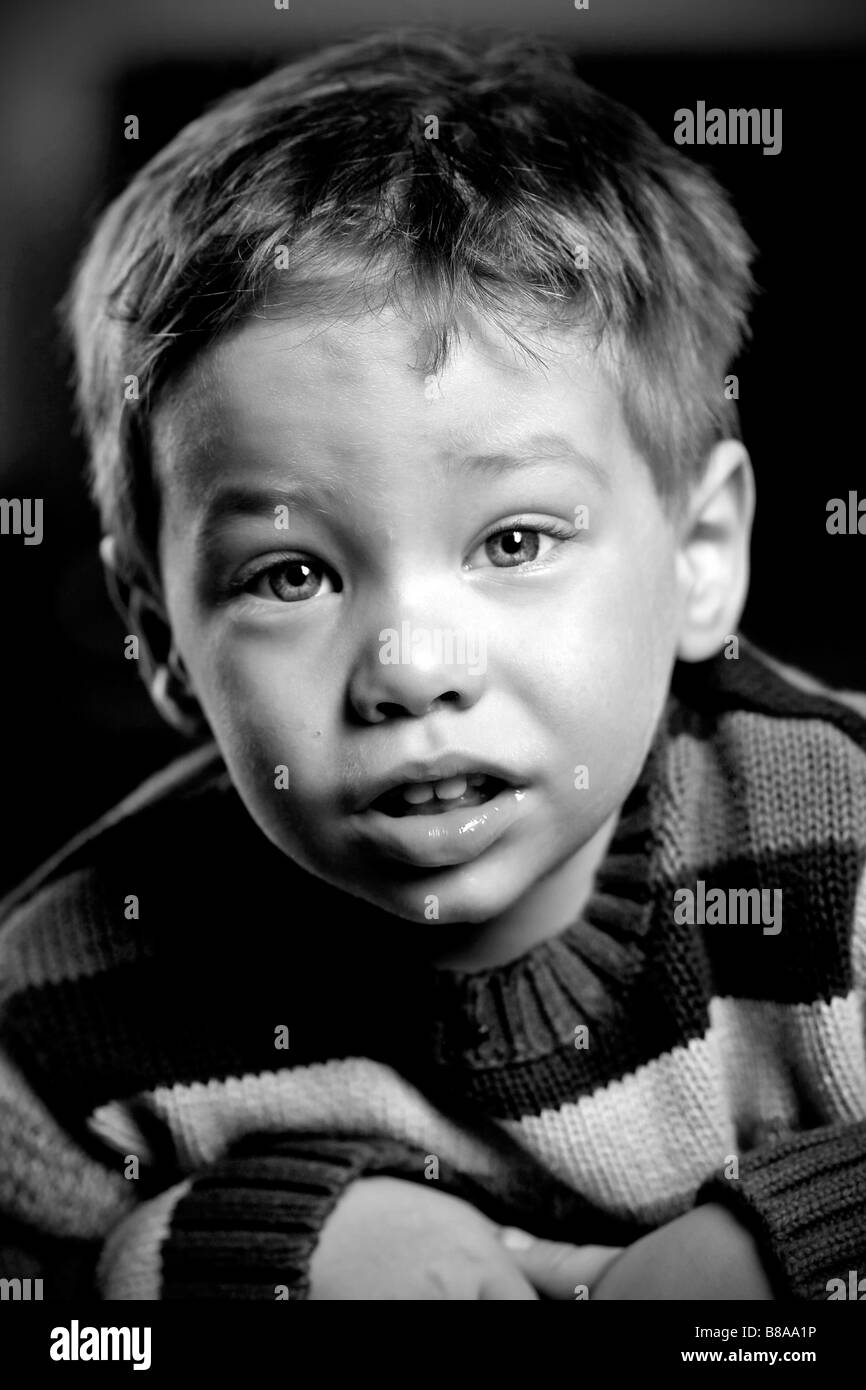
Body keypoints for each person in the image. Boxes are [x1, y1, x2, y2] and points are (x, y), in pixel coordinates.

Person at [2, 29, 865, 1301]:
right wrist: (211, 1259)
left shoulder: (838, 850)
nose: (411, 670)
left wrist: (784, 1253)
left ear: (696, 555)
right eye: (290, 574)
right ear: (163, 641)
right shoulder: (61, 1012)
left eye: (513, 539)